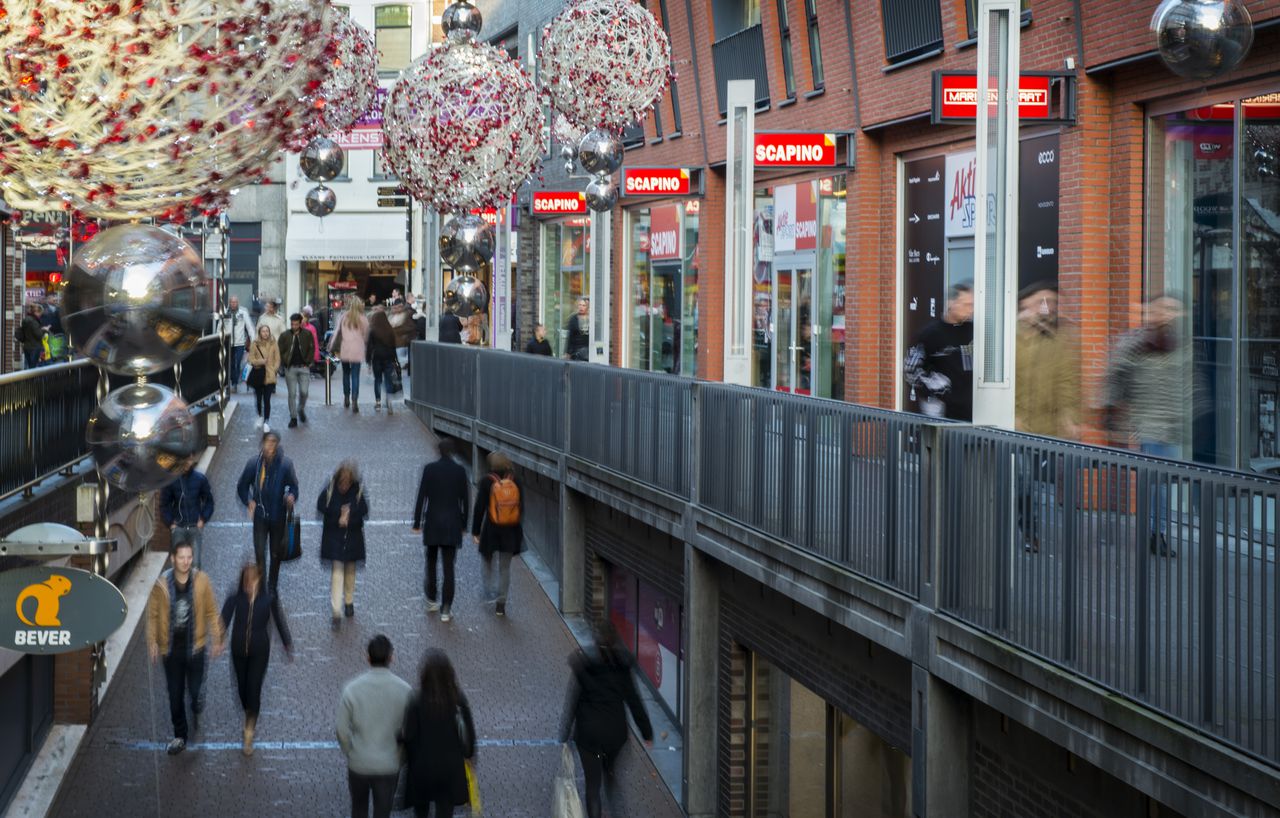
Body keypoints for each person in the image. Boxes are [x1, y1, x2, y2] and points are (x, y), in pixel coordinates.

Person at [1103, 293, 1200, 557]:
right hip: (1148, 422)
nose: (1168, 314)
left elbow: (1188, 382)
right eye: (1163, 308)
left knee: (1160, 482)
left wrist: (1190, 413)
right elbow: (1115, 375)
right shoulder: (1137, 342)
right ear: (1150, 311)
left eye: (1173, 310)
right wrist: (1111, 412)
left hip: (1171, 425)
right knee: (1157, 482)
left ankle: (1156, 532)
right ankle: (1156, 534)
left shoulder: (1180, 344)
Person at [559, 623, 654, 818]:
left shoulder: (584, 665)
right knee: (610, 774)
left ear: (595, 642)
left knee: (592, 786)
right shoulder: (622, 667)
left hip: (588, 734)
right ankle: (615, 805)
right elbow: (633, 700)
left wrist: (566, 731)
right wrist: (647, 732)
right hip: (614, 734)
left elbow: (573, 700)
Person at [1014, 283, 1081, 552]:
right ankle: (1028, 529)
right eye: (1042, 301)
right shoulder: (1011, 335)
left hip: (1046, 426)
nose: (1048, 307)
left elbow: (1068, 381)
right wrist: (1013, 415)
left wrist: (1069, 417)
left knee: (1036, 482)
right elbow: (1007, 380)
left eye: (1052, 302)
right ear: (1025, 304)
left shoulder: (1061, 338)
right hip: (1018, 425)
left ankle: (1030, 524)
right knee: (1024, 479)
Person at [145, 541, 224, 755]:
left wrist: (217, 638)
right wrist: (152, 641)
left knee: (196, 690)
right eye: (181, 557)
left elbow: (211, 611)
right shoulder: (161, 585)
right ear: (173, 559)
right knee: (174, 695)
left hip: (196, 648)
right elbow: (152, 616)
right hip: (170, 652)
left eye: (189, 557)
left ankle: (197, 703)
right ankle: (180, 735)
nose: (186, 561)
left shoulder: (202, 581)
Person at [337, 635, 414, 818]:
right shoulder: (405, 690)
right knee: (382, 812)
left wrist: (351, 751)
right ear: (391, 658)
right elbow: (411, 731)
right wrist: (400, 757)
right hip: (389, 764)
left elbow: (341, 730)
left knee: (358, 809)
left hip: (359, 763)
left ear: (368, 657)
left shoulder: (351, 689)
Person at [221, 562, 293, 756]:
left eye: (254, 580)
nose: (250, 584)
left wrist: (287, 643)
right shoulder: (235, 599)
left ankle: (249, 733)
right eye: (247, 581)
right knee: (242, 692)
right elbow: (224, 619)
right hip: (238, 651)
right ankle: (248, 714)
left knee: (254, 689)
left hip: (260, 652)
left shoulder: (268, 600)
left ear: (259, 580)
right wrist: (219, 637)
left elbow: (280, 621)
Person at [400, 650, 476, 818]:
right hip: (449, 769)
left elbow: (409, 736)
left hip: (421, 767)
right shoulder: (458, 700)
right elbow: (468, 740)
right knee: (445, 810)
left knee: (421, 810)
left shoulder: (416, 699)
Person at [412, 438, 469, 622]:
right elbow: (466, 500)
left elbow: (422, 496)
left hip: (433, 522)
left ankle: (431, 599)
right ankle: (446, 608)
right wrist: (464, 524)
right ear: (452, 452)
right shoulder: (460, 471)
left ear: (439, 451)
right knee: (449, 567)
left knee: (431, 561)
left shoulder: (429, 469)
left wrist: (416, 522)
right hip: (452, 523)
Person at [236, 431, 299, 593]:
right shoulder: (253, 464)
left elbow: (294, 486)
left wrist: (291, 496)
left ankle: (272, 585)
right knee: (260, 553)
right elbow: (242, 486)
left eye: (273, 443)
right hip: (260, 517)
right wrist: (248, 501)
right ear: (262, 444)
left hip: (278, 517)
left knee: (276, 553)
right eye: (267, 442)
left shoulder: (285, 465)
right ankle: (263, 588)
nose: (270, 446)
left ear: (277, 445)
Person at [903, 281, 974, 421]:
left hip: (974, 414)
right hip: (942, 417)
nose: (971, 310)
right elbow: (909, 370)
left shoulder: (975, 331)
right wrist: (932, 387)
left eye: (972, 305)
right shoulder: (930, 334)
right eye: (966, 305)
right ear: (951, 303)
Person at [318, 460, 370, 629]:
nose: (344, 486)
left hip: (353, 538)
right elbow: (321, 507)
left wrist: (350, 516)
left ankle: (349, 601)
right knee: (337, 572)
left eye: (347, 483)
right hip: (334, 538)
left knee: (350, 571)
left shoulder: (358, 491)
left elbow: (364, 511)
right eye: (341, 483)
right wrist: (337, 516)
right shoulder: (329, 489)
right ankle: (336, 613)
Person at [470, 451, 522, 617]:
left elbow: (479, 508)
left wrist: (475, 531)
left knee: (487, 560)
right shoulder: (516, 480)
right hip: (511, 530)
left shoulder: (487, 481)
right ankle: (501, 603)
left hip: (491, 530)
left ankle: (488, 591)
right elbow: (522, 508)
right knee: (505, 568)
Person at [159, 462, 215, 569]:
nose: (186, 463)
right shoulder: (172, 480)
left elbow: (209, 502)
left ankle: (194, 586)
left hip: (195, 527)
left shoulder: (200, 479)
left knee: (195, 565)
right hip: (179, 528)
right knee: (179, 565)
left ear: (191, 458)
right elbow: (164, 504)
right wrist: (170, 523)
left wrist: (203, 519)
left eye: (188, 459)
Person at [331, 295, 370, 412]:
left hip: (345, 349)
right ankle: (355, 400)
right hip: (357, 350)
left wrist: (331, 345)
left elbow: (337, 332)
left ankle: (346, 397)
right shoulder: (363, 318)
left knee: (346, 374)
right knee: (355, 375)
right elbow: (366, 335)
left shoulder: (343, 316)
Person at [278, 313, 316, 429]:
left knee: (304, 392)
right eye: (292, 324)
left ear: (300, 324)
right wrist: (284, 362)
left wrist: (309, 362)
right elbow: (280, 349)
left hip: (304, 367)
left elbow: (312, 348)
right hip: (291, 368)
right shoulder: (285, 335)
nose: (294, 326)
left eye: (296, 324)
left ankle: (301, 409)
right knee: (292, 394)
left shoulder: (307, 334)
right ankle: (293, 417)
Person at [246, 324, 280, 432]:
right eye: (263, 331)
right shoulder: (255, 344)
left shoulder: (273, 343)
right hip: (258, 374)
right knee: (259, 399)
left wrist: (274, 369)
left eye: (267, 331)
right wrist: (261, 361)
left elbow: (277, 358)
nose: (265, 333)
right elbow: (250, 359)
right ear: (260, 332)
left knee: (267, 399)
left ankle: (266, 421)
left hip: (270, 375)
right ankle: (260, 415)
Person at [367, 308, 399, 415]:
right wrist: (395, 359)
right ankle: (389, 401)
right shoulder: (390, 330)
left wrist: (368, 361)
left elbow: (369, 347)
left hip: (377, 357)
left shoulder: (373, 330)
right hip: (389, 357)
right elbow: (394, 346)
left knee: (378, 380)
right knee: (388, 380)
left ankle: (378, 402)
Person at [224, 295, 253, 392]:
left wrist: (253, 341)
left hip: (240, 343)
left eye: (235, 302)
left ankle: (235, 382)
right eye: (232, 302)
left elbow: (249, 327)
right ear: (229, 302)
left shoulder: (243, 312)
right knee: (230, 363)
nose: (233, 304)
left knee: (238, 362)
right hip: (228, 342)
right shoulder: (225, 312)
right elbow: (220, 326)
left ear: (238, 302)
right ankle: (233, 382)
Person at [17, 303, 47, 369]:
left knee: (30, 366)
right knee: (33, 367)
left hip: (27, 347)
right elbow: (38, 335)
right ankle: (32, 379)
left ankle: (29, 379)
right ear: (36, 312)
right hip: (34, 347)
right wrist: (44, 330)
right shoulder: (33, 321)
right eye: (40, 314)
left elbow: (29, 332)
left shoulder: (26, 319)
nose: (40, 316)